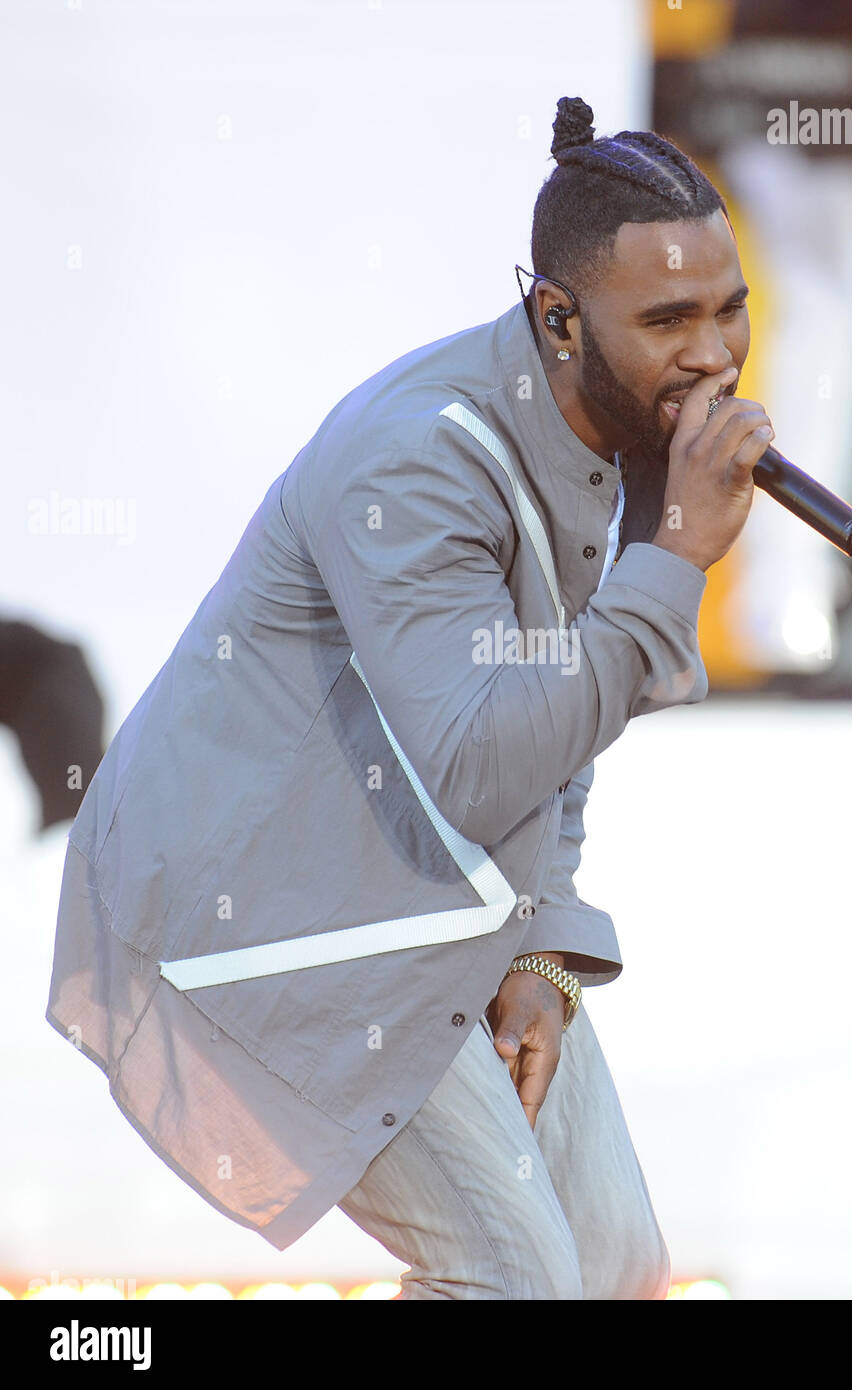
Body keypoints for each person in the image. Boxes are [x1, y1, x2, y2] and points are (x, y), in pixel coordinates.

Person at [45, 96, 772, 1299]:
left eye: (729, 308)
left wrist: (541, 942)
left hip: (433, 888)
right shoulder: (420, 457)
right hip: (261, 907)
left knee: (614, 1268)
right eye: (669, 319)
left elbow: (556, 714)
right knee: (510, 1278)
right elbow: (481, 758)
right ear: (556, 317)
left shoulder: (608, 425)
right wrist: (677, 559)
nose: (714, 354)